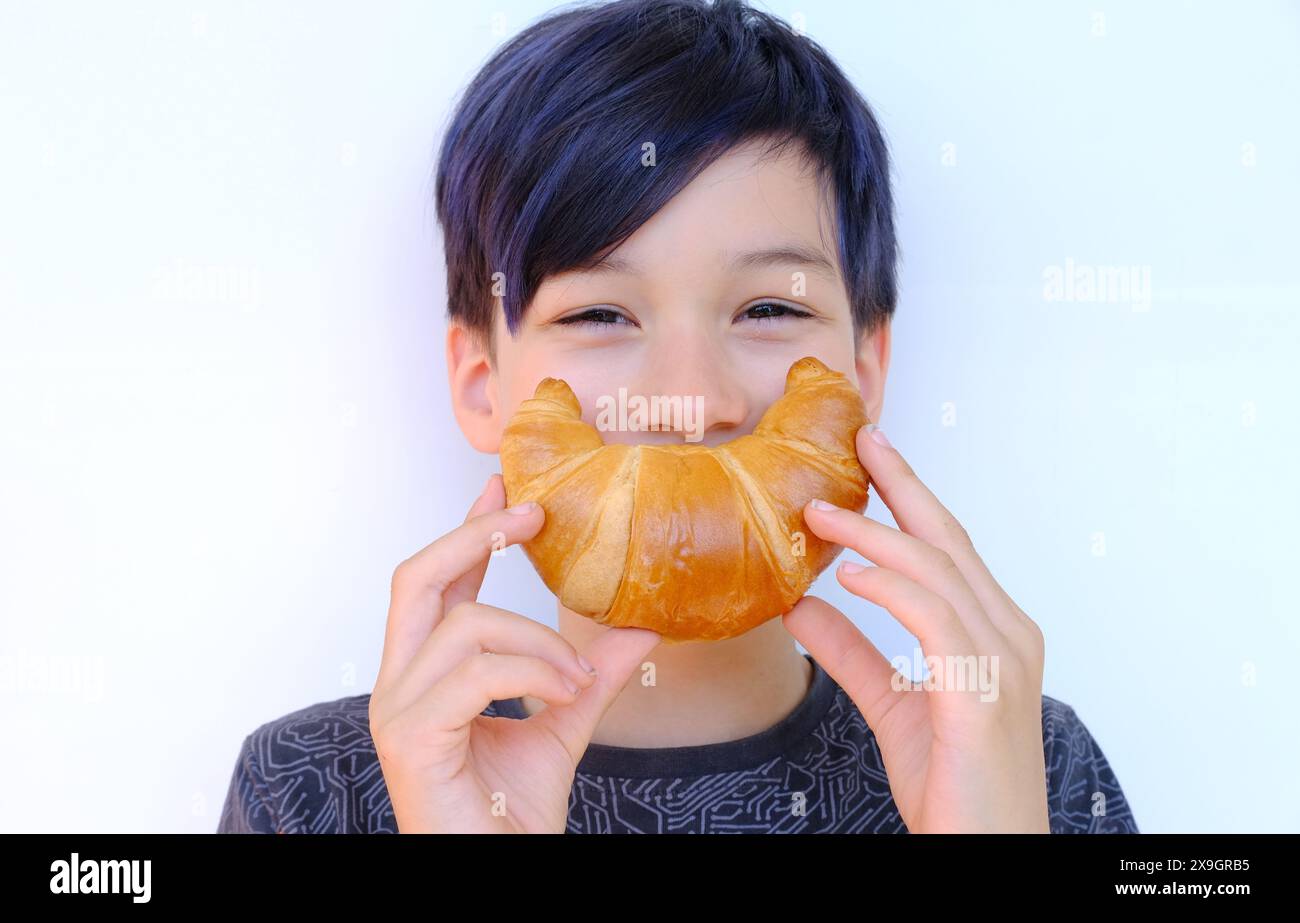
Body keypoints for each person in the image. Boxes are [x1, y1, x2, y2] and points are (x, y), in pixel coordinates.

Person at [218, 0, 1138, 834]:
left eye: (769, 309)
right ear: (479, 383)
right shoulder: (313, 793)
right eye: (599, 315)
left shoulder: (1023, 761)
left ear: (865, 368)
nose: (691, 401)